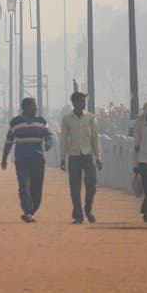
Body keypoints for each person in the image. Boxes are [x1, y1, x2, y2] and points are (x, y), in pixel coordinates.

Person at [1, 97, 53, 222]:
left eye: (35, 106)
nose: (35, 108)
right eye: (33, 106)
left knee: (37, 187)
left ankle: (32, 210)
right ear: (25, 108)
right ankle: (27, 211)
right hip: (21, 160)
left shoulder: (41, 121)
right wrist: (4, 158)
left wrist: (48, 143)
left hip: (38, 159)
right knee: (24, 186)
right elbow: (9, 141)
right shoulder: (15, 122)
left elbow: (48, 135)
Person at [60, 91, 103, 223]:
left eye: (85, 101)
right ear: (74, 103)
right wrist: (62, 158)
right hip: (73, 157)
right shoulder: (67, 119)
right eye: (81, 101)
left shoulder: (90, 118)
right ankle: (78, 215)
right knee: (75, 188)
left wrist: (98, 157)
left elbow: (95, 139)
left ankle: (88, 209)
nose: (84, 103)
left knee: (91, 185)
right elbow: (63, 140)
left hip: (87, 155)